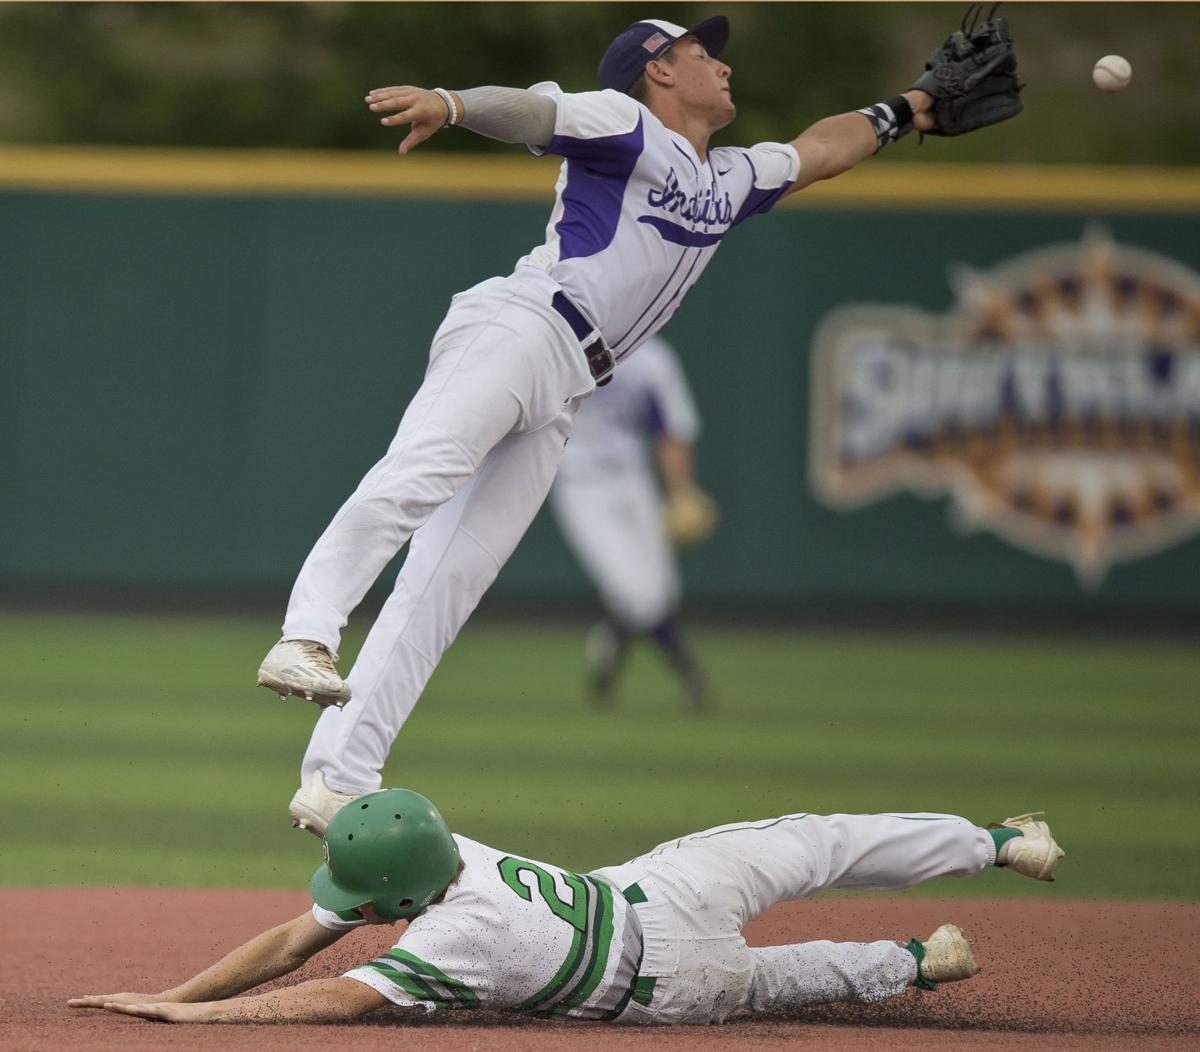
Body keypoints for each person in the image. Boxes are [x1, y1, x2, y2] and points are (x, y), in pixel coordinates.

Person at [251, 13, 1008, 835]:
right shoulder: (625, 123)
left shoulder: (729, 178)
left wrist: (912, 108)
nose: (720, 64)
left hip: (574, 380)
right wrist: (452, 103)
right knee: (416, 477)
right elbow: (533, 113)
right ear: (658, 70)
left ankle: (338, 775)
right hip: (524, 325)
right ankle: (307, 634)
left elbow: (821, 150)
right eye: (699, 52)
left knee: (448, 582)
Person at [68, 796, 1064, 1026]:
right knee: (818, 840)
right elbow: (307, 932)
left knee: (772, 978)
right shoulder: (449, 848)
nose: (350, 909)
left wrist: (191, 1013)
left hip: (664, 986)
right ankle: (993, 840)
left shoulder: (453, 939)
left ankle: (913, 960)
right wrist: (173, 993)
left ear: (401, 895)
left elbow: (324, 990)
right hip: (664, 891)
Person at [549, 332, 714, 710]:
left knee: (663, 590)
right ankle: (691, 678)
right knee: (637, 594)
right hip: (580, 484)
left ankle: (611, 641)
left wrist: (681, 491)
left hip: (632, 480)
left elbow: (672, 430)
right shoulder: (561, 350)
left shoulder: (652, 359)